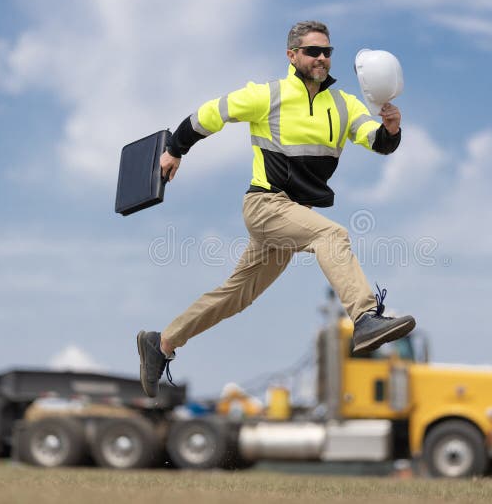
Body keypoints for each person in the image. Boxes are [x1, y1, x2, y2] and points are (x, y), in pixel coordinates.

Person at [137, 21, 415, 397]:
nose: (321, 58)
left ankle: (162, 343)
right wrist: (174, 149)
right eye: (312, 51)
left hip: (292, 215)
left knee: (237, 295)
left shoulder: (345, 105)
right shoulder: (268, 95)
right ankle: (365, 317)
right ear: (292, 55)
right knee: (331, 235)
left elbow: (378, 142)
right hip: (266, 205)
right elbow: (210, 114)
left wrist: (392, 129)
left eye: (327, 52)